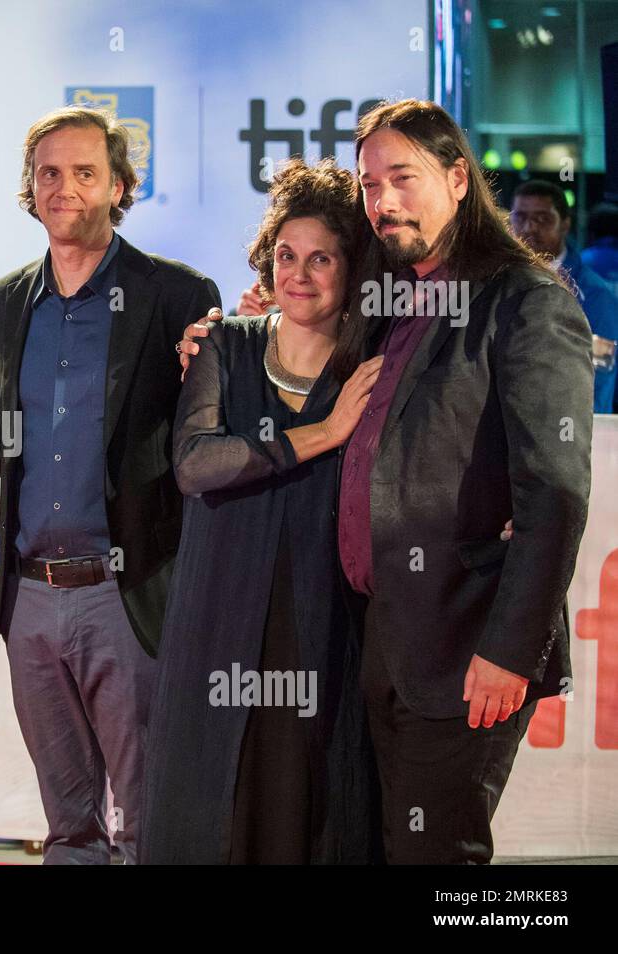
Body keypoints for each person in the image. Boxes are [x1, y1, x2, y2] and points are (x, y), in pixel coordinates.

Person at [340, 101, 589, 863]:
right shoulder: (390, 297)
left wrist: (511, 651)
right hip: (376, 635)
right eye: (369, 183)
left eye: (402, 178)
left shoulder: (527, 301)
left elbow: (554, 491)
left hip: (465, 645)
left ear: (457, 178)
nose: (382, 200)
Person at [0, 106, 221, 864]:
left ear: (119, 185)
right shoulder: (4, 299)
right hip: (29, 598)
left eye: (86, 173)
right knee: (67, 826)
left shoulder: (178, 296)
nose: (65, 189)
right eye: (49, 173)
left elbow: (210, 437)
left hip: (130, 591)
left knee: (149, 818)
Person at [140, 159, 383, 864]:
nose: (299, 273)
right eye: (285, 256)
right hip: (222, 609)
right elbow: (195, 464)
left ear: (351, 269)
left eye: (320, 258)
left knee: (313, 794)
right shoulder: (223, 344)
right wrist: (324, 434)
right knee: (217, 793)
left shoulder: (371, 360)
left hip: (329, 614)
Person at [510, 179, 618, 414]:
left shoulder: (594, 294)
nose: (529, 227)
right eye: (520, 217)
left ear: (565, 224)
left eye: (542, 218)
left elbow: (598, 383)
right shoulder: (497, 281)